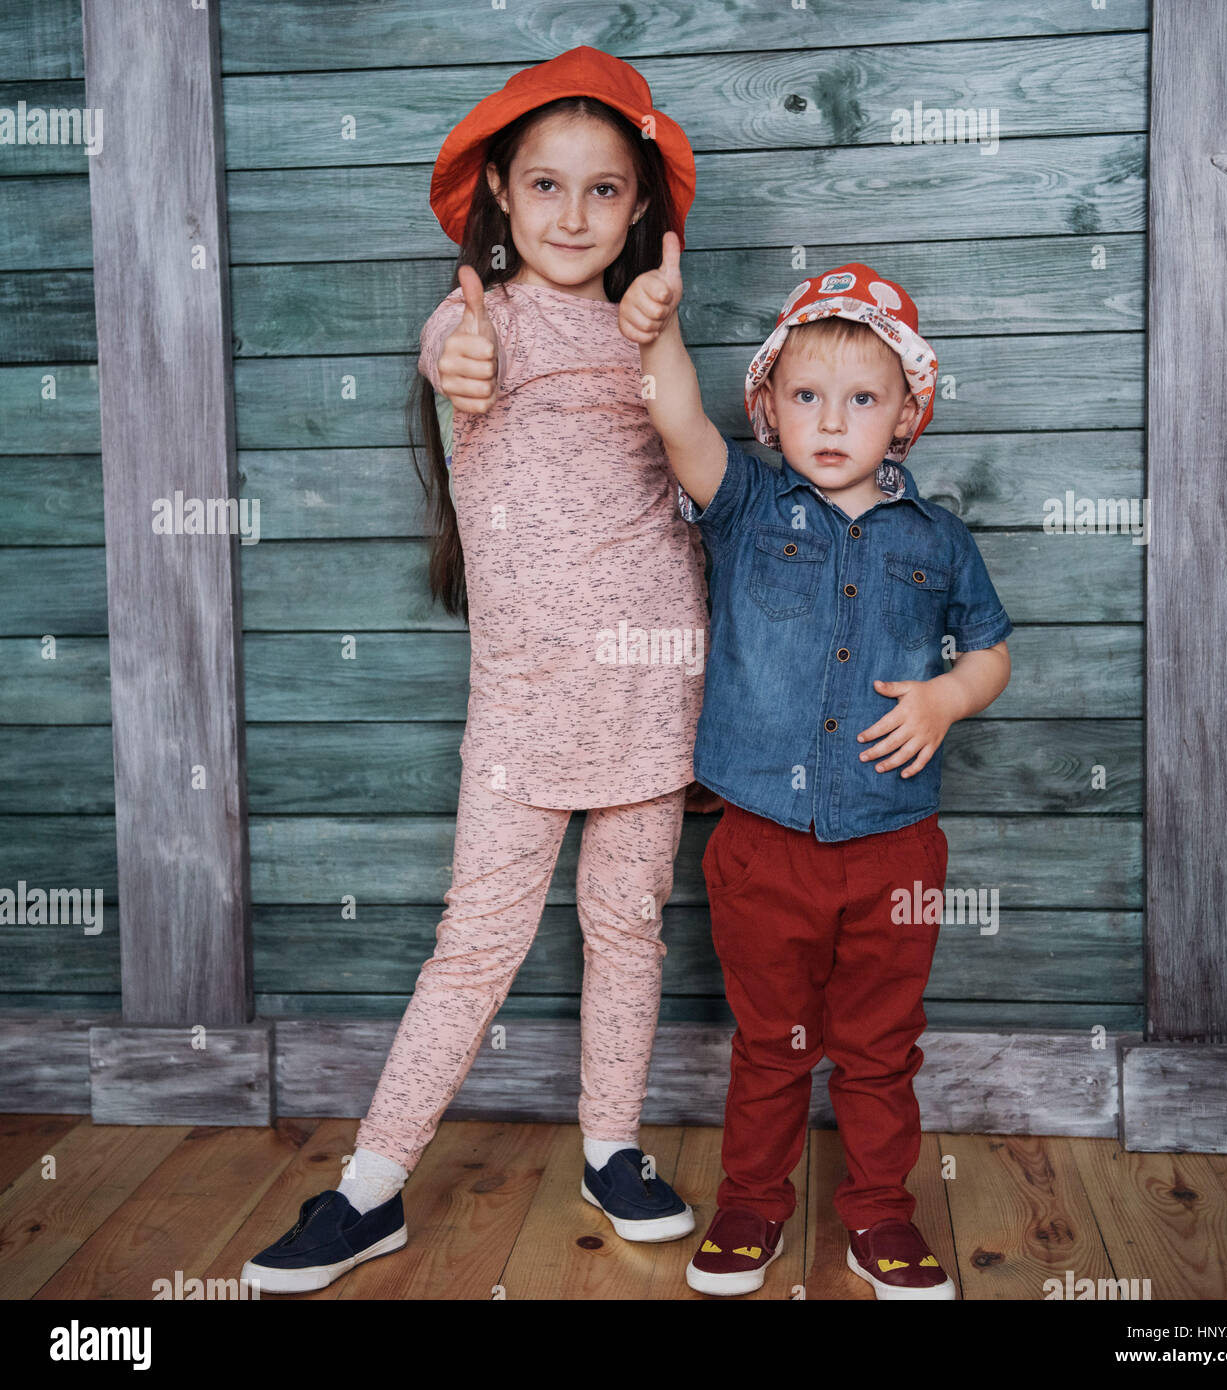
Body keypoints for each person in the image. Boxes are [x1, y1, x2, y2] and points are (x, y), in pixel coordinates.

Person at [242, 46, 713, 1295]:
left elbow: (698, 460)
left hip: (655, 676)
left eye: (604, 190)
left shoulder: (648, 325)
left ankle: (612, 1146)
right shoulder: (475, 318)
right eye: (545, 186)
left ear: (638, 207)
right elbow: (453, 354)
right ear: (500, 193)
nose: (573, 215)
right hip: (525, 699)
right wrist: (460, 353)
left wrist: (658, 342)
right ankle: (372, 1184)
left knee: (627, 929)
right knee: (475, 943)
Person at [619, 244, 1013, 1299]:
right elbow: (673, 419)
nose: (830, 421)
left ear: (905, 416)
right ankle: (750, 1204)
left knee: (881, 1047)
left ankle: (881, 1215)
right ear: (769, 407)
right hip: (759, 845)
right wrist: (656, 322)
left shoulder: (937, 538)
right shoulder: (747, 505)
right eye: (805, 394)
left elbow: (989, 649)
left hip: (895, 843)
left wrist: (946, 698)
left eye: (859, 398)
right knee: (771, 1041)